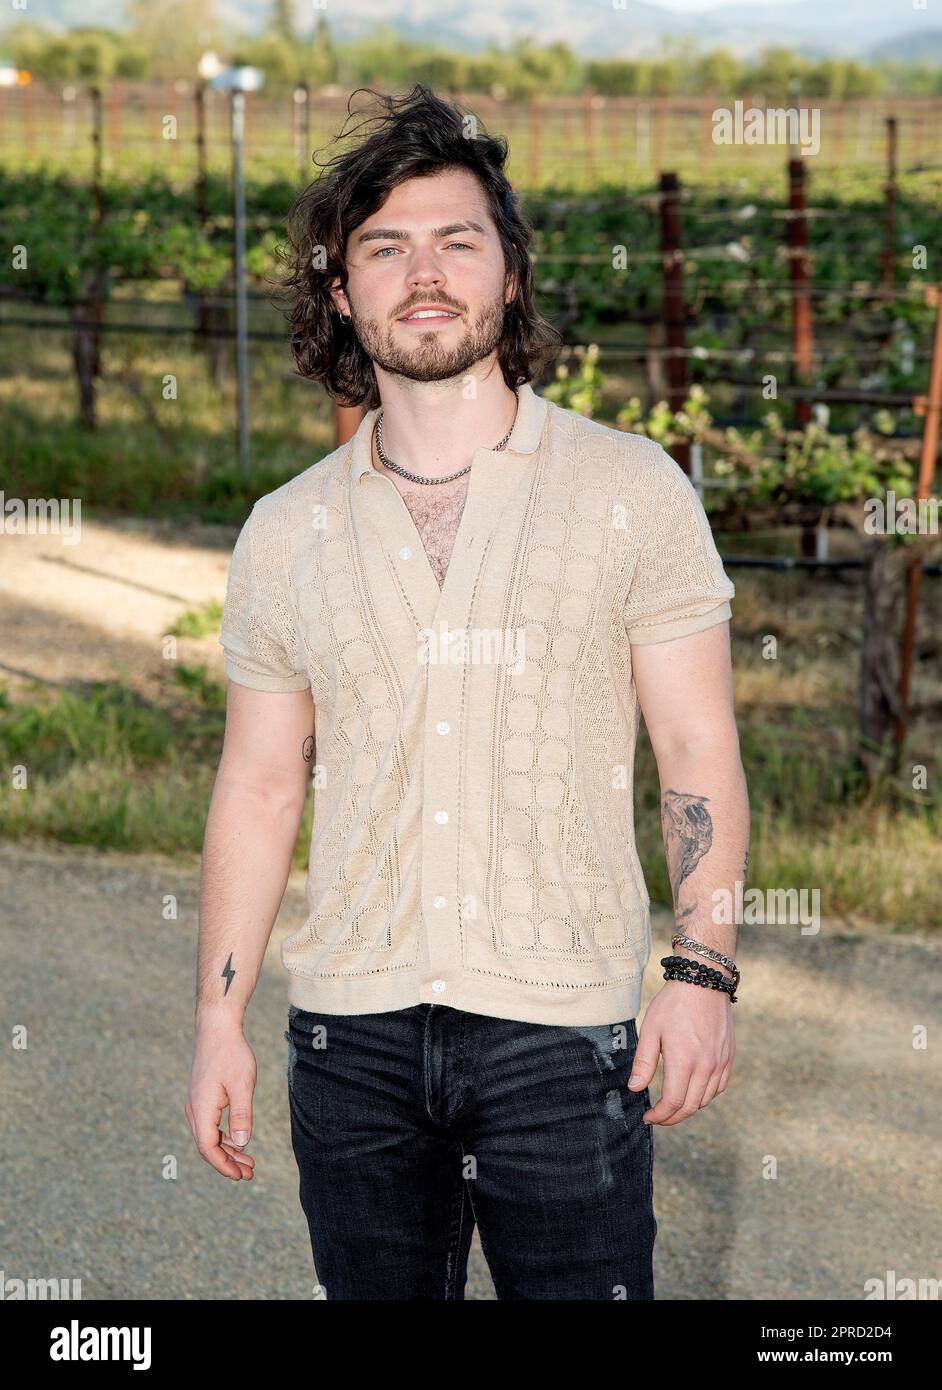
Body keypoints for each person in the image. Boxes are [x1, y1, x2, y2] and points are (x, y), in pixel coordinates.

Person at [185, 83, 750, 1301]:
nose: (423, 272)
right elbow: (261, 780)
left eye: (457, 240)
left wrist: (702, 976)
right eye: (384, 247)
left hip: (565, 1039)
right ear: (342, 289)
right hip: (349, 1043)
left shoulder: (630, 489)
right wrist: (218, 1022)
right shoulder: (285, 532)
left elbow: (697, 743)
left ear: (508, 273)